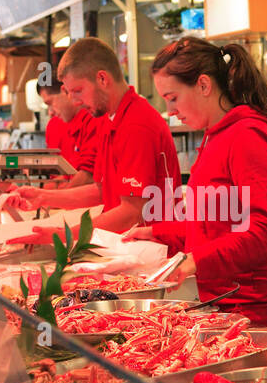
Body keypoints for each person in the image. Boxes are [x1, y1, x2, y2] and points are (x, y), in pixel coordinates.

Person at [125, 38, 267, 325]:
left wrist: (195, 261)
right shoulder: (213, 136)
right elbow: (214, 222)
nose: (170, 110)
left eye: (172, 98)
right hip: (223, 304)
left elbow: (266, 230)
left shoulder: (247, 136)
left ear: (204, 85)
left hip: (259, 309)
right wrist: (158, 234)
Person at [11, 37, 179, 238]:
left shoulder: (136, 124)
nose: (75, 101)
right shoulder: (110, 119)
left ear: (102, 79)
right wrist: (43, 197)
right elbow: (101, 191)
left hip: (154, 251)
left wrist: (62, 236)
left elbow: (132, 212)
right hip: (127, 246)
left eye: (78, 91)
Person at [37, 76, 101, 187]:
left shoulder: (93, 119)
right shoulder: (67, 123)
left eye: (50, 103)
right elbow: (69, 175)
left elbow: (88, 176)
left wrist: (51, 198)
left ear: (64, 91)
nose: (50, 112)